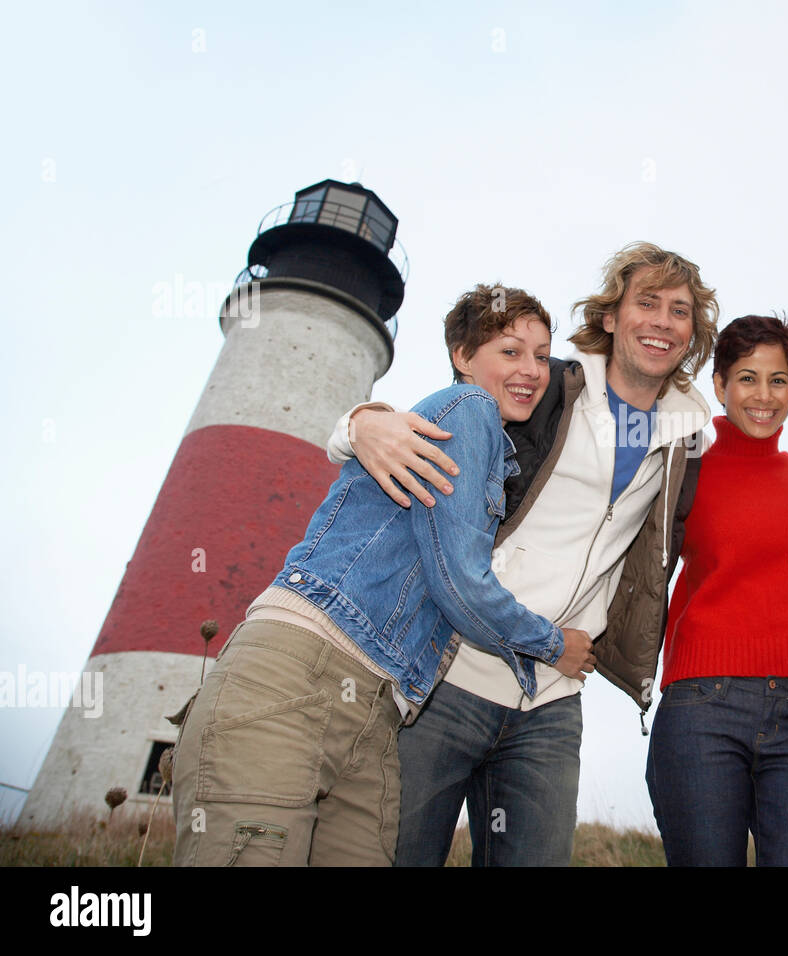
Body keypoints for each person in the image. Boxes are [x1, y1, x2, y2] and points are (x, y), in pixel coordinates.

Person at [170, 284, 596, 866]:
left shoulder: (486, 445)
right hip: (301, 673)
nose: (531, 371)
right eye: (510, 351)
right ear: (462, 356)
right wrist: (553, 646)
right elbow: (461, 584)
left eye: (542, 356)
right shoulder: (467, 411)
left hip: (379, 706)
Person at [330, 242, 719, 865]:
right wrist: (358, 422)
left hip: (553, 695)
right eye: (647, 303)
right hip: (447, 672)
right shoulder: (548, 385)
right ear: (611, 316)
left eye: (680, 311)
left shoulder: (688, 438)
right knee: (391, 856)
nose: (663, 322)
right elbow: (423, 422)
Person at [646, 315, 788, 867]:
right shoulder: (680, 474)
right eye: (747, 378)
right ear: (719, 385)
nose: (764, 395)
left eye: (779, 380)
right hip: (701, 706)